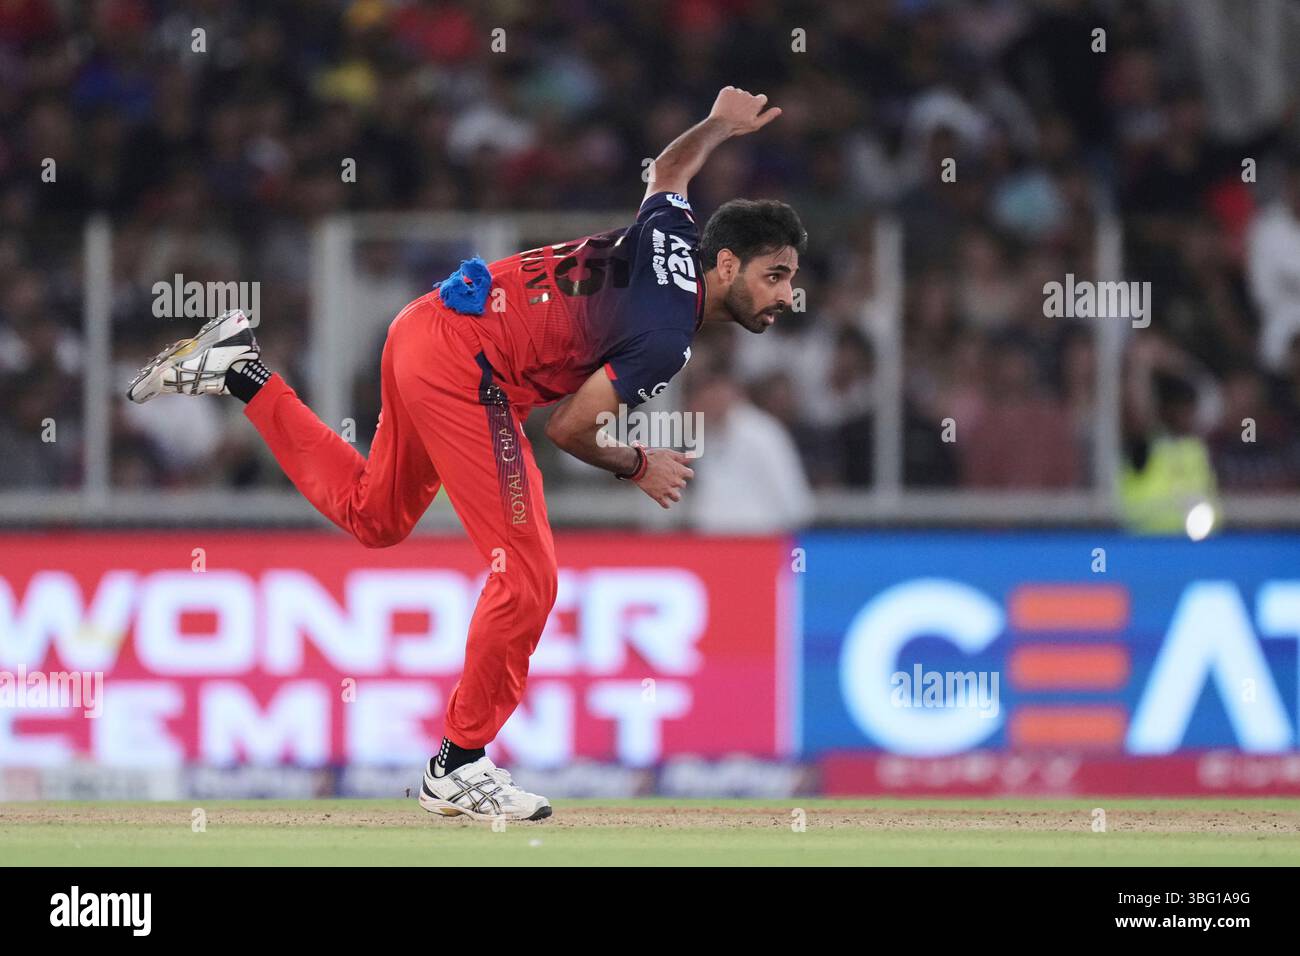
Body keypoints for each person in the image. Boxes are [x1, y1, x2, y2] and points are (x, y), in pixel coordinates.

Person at [125, 87, 807, 820]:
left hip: (427, 326)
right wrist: (641, 465)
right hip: (467, 369)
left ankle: (238, 369)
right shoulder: (668, 335)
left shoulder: (673, 233)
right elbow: (570, 430)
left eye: (791, 280)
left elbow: (668, 170)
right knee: (530, 577)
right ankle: (457, 765)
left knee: (375, 516)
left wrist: (717, 126)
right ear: (728, 264)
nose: (786, 295)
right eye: (776, 276)